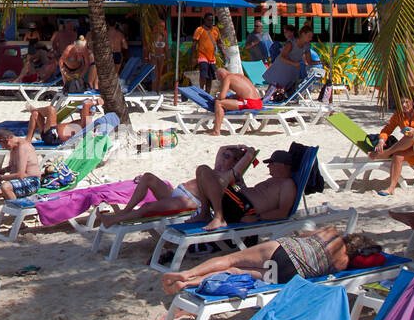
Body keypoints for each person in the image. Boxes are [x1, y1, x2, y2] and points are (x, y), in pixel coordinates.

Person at [162, 226, 377, 295]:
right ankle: (187, 284)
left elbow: (302, 235)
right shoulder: (343, 264)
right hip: (291, 274)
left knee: (230, 259)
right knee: (237, 271)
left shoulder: (331, 232)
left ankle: (187, 274)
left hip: (285, 250)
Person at [96, 145, 252, 226]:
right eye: (224, 156)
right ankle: (126, 212)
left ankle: (113, 220)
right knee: (148, 177)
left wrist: (249, 153)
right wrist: (237, 145)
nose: (223, 158)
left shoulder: (227, 176)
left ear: (235, 162)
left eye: (227, 157)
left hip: (190, 201)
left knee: (148, 207)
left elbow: (242, 165)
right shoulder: (216, 168)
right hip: (178, 192)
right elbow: (222, 149)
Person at [195, 146, 296, 232]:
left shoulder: (287, 184)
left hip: (244, 210)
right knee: (202, 171)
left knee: (206, 171)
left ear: (282, 165)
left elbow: (283, 212)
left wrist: (258, 217)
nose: (268, 166)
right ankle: (205, 213)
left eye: (271, 163)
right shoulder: (272, 180)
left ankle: (218, 217)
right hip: (238, 202)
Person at [370, 96, 414, 197]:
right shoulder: (399, 116)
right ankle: (391, 188)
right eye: (401, 102)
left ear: (412, 102)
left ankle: (387, 153)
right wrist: (381, 140)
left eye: (407, 102)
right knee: (398, 155)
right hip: (412, 146)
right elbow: (387, 129)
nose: (404, 105)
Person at [0, 130, 43, 232]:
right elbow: (13, 166)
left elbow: (20, 175)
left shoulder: (22, 147)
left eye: (2, 145)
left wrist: (1, 178)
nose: (3, 148)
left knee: (6, 186)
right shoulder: (13, 147)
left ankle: (19, 222)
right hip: (17, 183)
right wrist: (3, 170)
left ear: (7, 140)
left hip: (31, 181)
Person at [210, 66, 265, 136]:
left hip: (250, 103)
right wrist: (231, 97)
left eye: (219, 79)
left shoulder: (228, 78)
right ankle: (245, 127)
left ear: (222, 75)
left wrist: (217, 97)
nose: (219, 81)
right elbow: (243, 93)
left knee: (219, 103)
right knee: (238, 100)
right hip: (258, 102)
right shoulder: (239, 76)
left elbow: (222, 97)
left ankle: (216, 131)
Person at [25, 96, 98, 145]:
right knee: (35, 115)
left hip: (54, 137)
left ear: (89, 112)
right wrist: (84, 101)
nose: (79, 111)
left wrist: (96, 101)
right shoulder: (82, 121)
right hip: (50, 135)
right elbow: (85, 105)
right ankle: (28, 140)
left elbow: (86, 105)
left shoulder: (87, 123)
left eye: (81, 110)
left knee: (51, 110)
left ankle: (33, 109)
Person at [264, 24, 313, 92]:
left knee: (279, 83)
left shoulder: (298, 43)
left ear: (292, 32)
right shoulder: (291, 42)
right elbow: (284, 56)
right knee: (275, 83)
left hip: (290, 67)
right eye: (309, 36)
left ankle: (273, 96)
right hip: (286, 66)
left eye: (285, 32)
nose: (284, 34)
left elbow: (305, 57)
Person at [192, 13, 225, 95]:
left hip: (212, 57)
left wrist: (224, 55)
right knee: (203, 74)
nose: (210, 22)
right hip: (202, 55)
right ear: (205, 20)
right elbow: (194, 44)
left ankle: (207, 93)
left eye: (212, 20)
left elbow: (219, 43)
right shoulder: (199, 29)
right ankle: (201, 91)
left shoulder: (216, 30)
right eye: (209, 20)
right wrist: (192, 57)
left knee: (210, 76)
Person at [147, 19, 170, 92]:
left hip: (161, 56)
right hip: (154, 56)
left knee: (159, 75)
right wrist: (147, 57)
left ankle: (158, 91)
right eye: (159, 27)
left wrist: (169, 59)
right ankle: (154, 90)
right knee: (155, 75)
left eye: (162, 27)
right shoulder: (152, 35)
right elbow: (148, 47)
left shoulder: (165, 36)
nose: (161, 28)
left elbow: (166, 48)